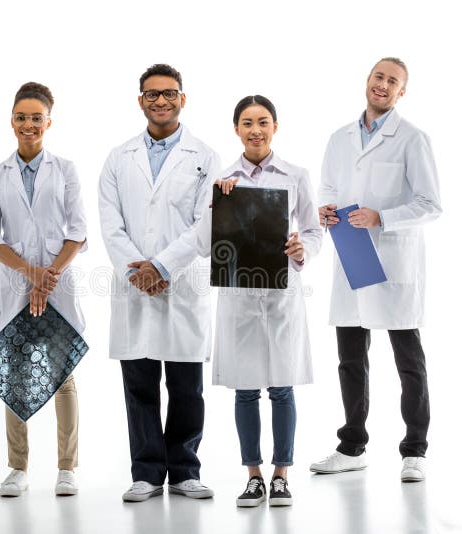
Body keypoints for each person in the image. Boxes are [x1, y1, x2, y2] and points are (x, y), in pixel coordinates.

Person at [310, 57, 442, 482]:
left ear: (402, 92)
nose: (383, 85)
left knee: (408, 361)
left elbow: (430, 204)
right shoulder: (339, 138)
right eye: (378, 77)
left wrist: (381, 217)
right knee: (350, 358)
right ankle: (352, 446)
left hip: (392, 259)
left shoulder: (413, 139)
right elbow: (328, 189)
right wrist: (326, 210)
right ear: (367, 81)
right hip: (351, 253)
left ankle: (415, 450)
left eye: (393, 81)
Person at [98, 64, 220, 502]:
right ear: (140, 101)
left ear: (182, 99)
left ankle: (186, 469)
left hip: (181, 283)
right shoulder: (118, 157)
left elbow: (206, 225)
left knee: (187, 385)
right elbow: (110, 224)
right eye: (152, 94)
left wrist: (163, 267)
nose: (161, 101)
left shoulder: (205, 157)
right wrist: (139, 271)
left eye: (169, 93)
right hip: (135, 286)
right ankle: (147, 472)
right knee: (140, 384)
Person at [198, 95, 322, 507]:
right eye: (247, 122)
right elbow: (205, 240)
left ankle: (282, 475)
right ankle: (253, 476)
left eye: (263, 121)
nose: (255, 129)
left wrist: (303, 249)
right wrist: (218, 201)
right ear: (236, 129)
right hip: (240, 295)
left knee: (283, 388)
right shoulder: (222, 179)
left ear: (275, 127)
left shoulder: (296, 175)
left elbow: (313, 230)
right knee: (246, 390)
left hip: (281, 292)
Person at [0, 82, 87, 497]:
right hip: (15, 283)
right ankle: (18, 467)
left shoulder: (66, 170)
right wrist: (31, 275)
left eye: (36, 118)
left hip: (58, 284)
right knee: (17, 377)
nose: (29, 125)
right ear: (12, 121)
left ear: (48, 121)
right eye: (21, 117)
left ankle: (67, 468)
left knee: (62, 377)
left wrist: (48, 277)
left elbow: (77, 232)